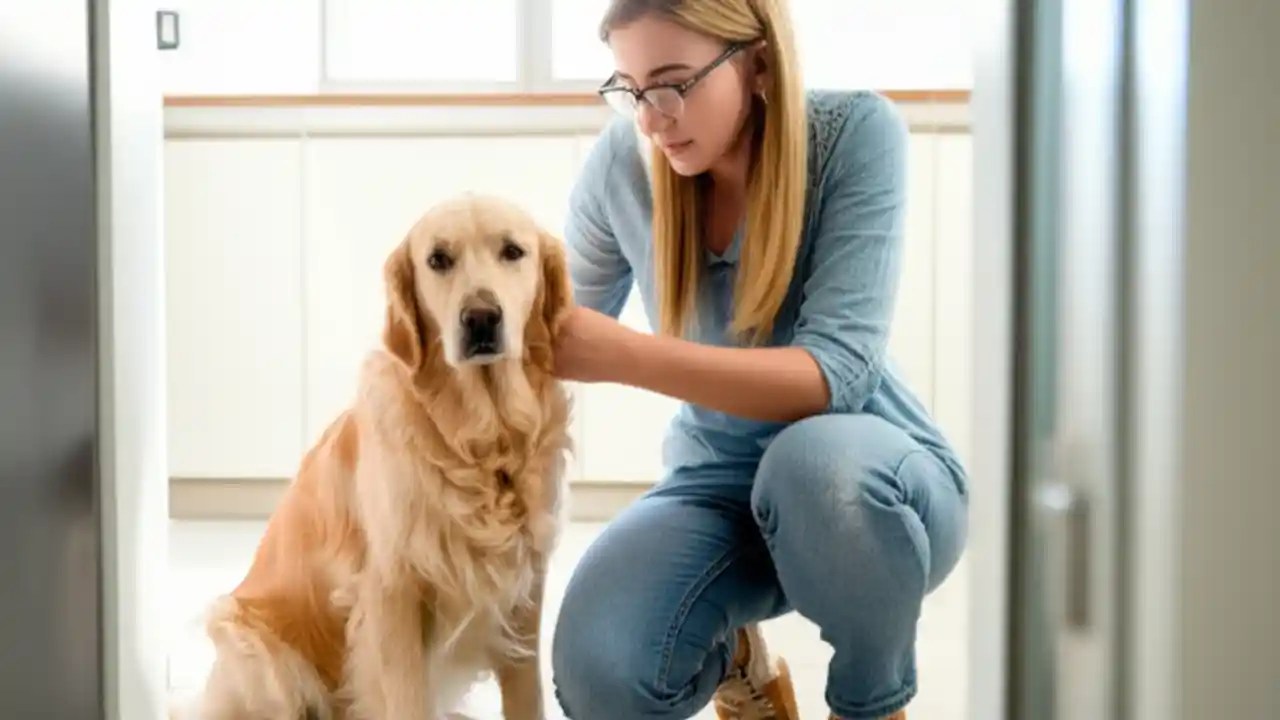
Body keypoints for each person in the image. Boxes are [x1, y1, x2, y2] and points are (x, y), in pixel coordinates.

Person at [547, 1, 969, 718]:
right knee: (600, 669)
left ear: (760, 63)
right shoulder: (624, 163)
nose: (652, 117)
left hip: (872, 488)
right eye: (632, 88)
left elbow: (834, 377)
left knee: (810, 470)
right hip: (714, 492)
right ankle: (740, 667)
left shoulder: (854, 135)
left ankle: (872, 706)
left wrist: (628, 357)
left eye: (674, 82)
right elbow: (551, 335)